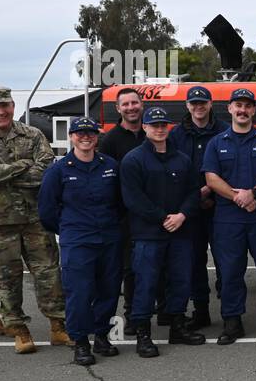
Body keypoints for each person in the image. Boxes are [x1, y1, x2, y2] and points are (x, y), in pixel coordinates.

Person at [0, 87, 67, 353]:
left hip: (34, 218)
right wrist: (23, 165)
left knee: (49, 274)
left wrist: (7, 173)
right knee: (5, 279)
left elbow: (45, 171)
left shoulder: (32, 134)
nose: (1, 112)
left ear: (12, 105)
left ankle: (59, 326)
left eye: (5, 106)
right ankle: (19, 330)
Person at [202, 87, 256, 344]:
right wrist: (239, 197)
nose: (242, 110)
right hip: (229, 218)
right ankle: (232, 322)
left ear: (254, 110)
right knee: (230, 271)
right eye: (237, 105)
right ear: (229, 108)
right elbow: (211, 177)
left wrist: (252, 192)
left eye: (247, 106)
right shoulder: (217, 143)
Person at [38, 116, 123, 365]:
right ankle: (81, 341)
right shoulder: (59, 169)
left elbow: (120, 203)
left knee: (108, 290)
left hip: (109, 238)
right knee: (80, 293)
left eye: (90, 133)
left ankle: (102, 336)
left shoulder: (110, 166)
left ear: (97, 137)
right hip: (78, 241)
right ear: (71, 137)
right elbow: (46, 210)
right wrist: (68, 230)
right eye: (80, 133)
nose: (85, 137)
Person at [120, 107, 204, 357]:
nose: (159, 129)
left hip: (180, 230)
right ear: (144, 127)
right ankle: (144, 333)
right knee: (145, 283)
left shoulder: (181, 159)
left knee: (181, 280)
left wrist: (182, 215)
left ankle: (177, 326)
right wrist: (162, 217)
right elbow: (133, 199)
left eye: (163, 125)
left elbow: (193, 192)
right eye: (154, 125)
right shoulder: (133, 160)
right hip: (148, 233)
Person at [168, 84, 228, 327]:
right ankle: (201, 310)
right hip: (189, 209)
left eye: (202, 102)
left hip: (222, 205)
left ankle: (230, 311)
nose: (198, 107)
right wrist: (193, 197)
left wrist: (208, 190)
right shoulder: (176, 134)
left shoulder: (225, 130)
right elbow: (171, 170)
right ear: (187, 106)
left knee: (226, 260)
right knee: (194, 261)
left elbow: (231, 167)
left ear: (210, 104)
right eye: (194, 103)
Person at [98, 86, 146, 319]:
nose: (131, 108)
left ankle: (166, 311)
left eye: (134, 103)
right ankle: (132, 314)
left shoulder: (153, 133)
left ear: (141, 104)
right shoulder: (109, 141)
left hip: (156, 211)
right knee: (130, 267)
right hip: (125, 215)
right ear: (118, 109)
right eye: (125, 104)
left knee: (161, 262)